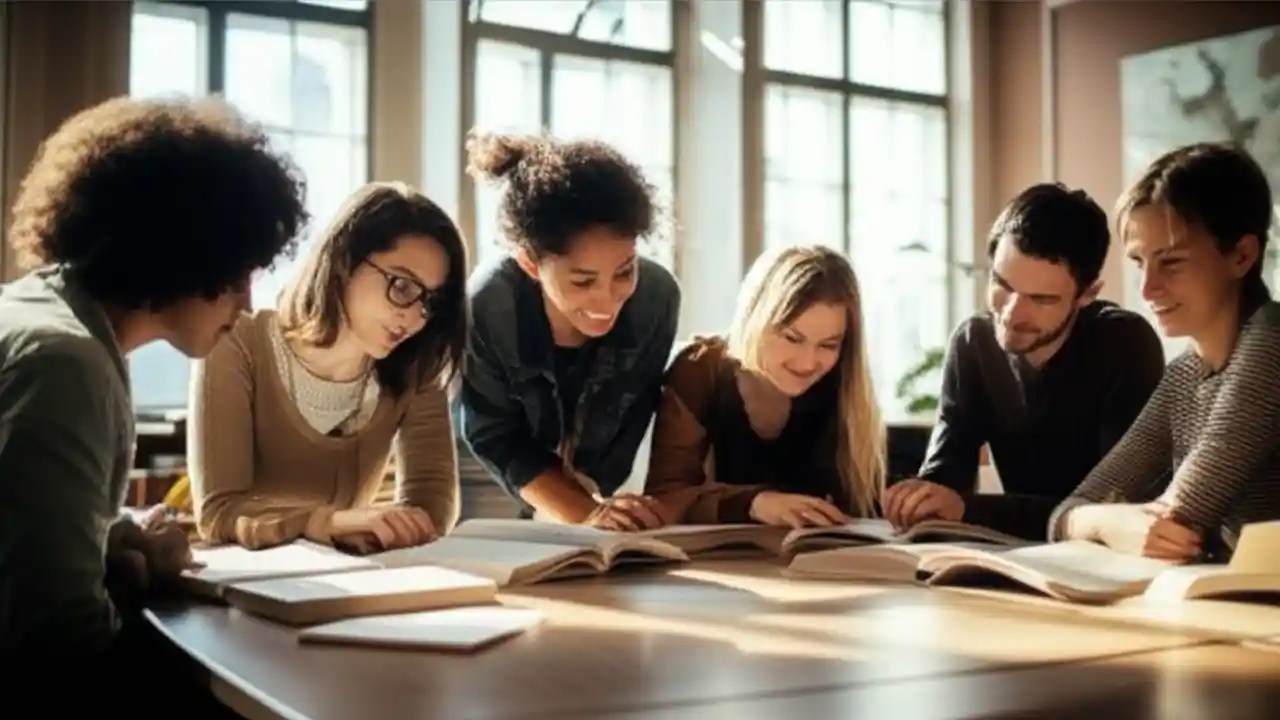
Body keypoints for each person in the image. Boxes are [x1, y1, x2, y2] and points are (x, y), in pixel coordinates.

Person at [0, 97, 304, 679]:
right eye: (239, 273)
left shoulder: (43, 312)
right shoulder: (65, 363)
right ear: (189, 250)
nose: (247, 304)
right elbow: (61, 643)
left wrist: (119, 533)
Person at [188, 182, 468, 553]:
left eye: (430, 301)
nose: (415, 316)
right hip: (243, 586)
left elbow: (431, 503)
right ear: (344, 261)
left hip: (352, 578)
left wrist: (388, 527)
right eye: (402, 286)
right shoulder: (239, 343)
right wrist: (330, 524)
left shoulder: (416, 365)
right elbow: (219, 513)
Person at [883, 183, 1165, 539]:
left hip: (1106, 562)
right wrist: (916, 499)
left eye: (1041, 299)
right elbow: (945, 481)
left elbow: (1113, 510)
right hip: (1017, 554)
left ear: (1087, 294)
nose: (1012, 314)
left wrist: (968, 509)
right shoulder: (974, 343)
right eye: (1002, 284)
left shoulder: (1124, 344)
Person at [1051, 143, 1280, 562]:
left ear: (1242, 255)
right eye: (1140, 262)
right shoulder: (1184, 376)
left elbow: (1176, 517)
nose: (1147, 289)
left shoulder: (1272, 342)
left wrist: (1111, 521)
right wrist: (1104, 522)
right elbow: (1068, 513)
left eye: (1171, 262)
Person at [459, 131, 680, 531]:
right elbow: (494, 436)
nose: (607, 299)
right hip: (481, 490)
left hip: (583, 493)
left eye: (624, 271)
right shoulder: (488, 304)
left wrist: (592, 507)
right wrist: (584, 512)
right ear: (530, 264)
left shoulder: (656, 299)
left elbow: (630, 423)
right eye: (582, 281)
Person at [646, 245, 886, 527]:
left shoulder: (843, 380)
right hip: (720, 564)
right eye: (792, 338)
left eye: (828, 345)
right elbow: (665, 498)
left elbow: (858, 511)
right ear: (757, 320)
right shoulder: (701, 369)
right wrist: (755, 504)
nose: (808, 362)